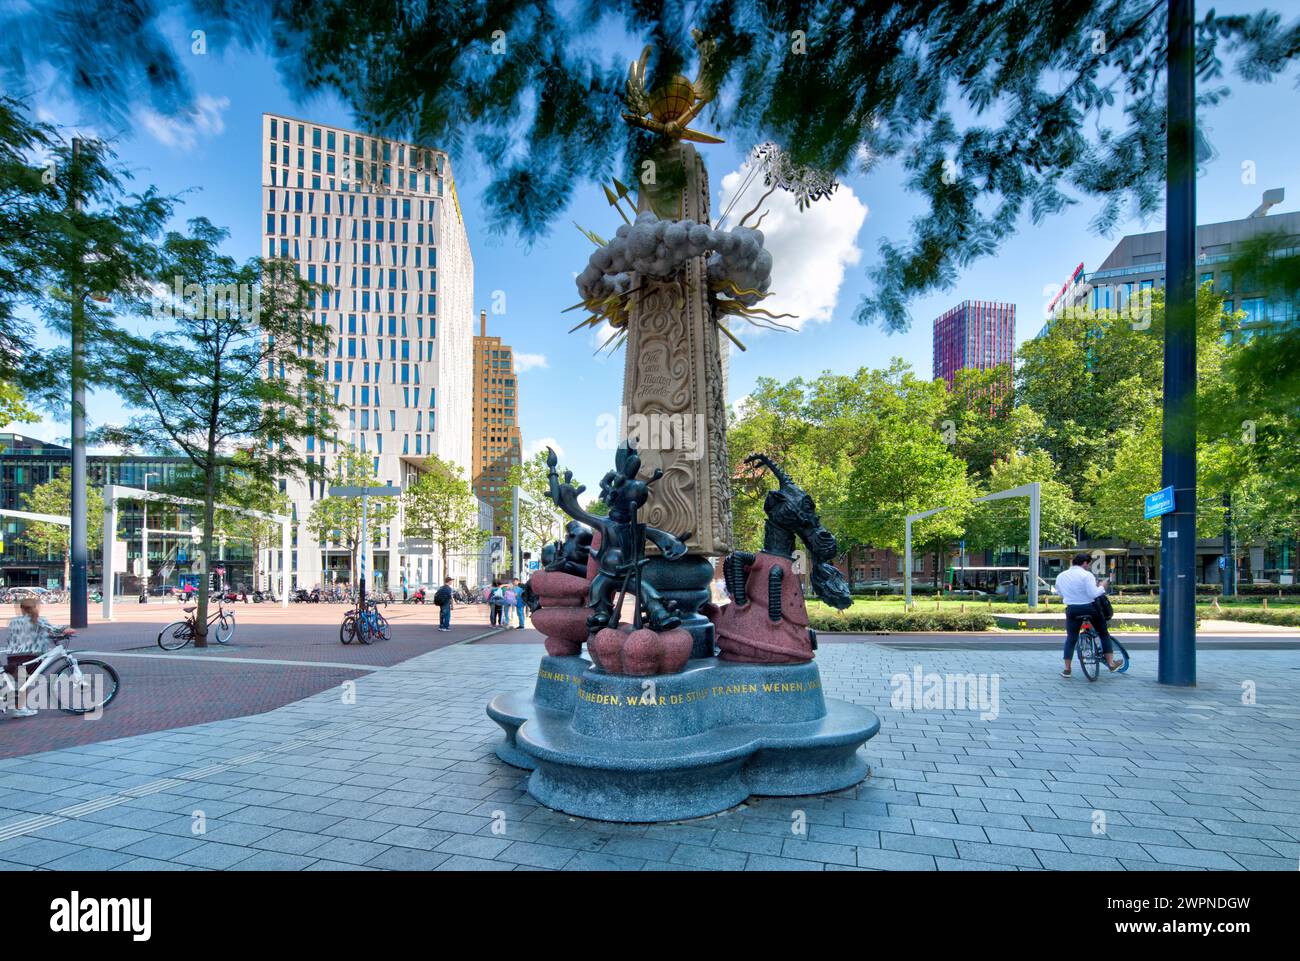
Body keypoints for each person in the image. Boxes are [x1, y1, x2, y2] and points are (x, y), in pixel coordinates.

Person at [3, 597, 74, 718]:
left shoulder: (13, 621)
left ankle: (18, 706)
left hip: (13, 657)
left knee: (22, 682)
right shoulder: (39, 620)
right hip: (31, 657)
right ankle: (19, 708)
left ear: (21, 609)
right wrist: (68, 630)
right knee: (26, 682)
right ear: (36, 608)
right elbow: (55, 629)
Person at [1055, 552, 1122, 677]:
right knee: (1103, 633)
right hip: (1089, 608)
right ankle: (1111, 664)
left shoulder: (1061, 576)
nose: (1088, 567)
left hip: (1072, 609)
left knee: (1071, 638)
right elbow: (1093, 594)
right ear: (1085, 563)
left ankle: (1067, 669)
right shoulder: (1087, 575)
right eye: (1088, 564)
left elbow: (1059, 592)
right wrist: (1102, 586)